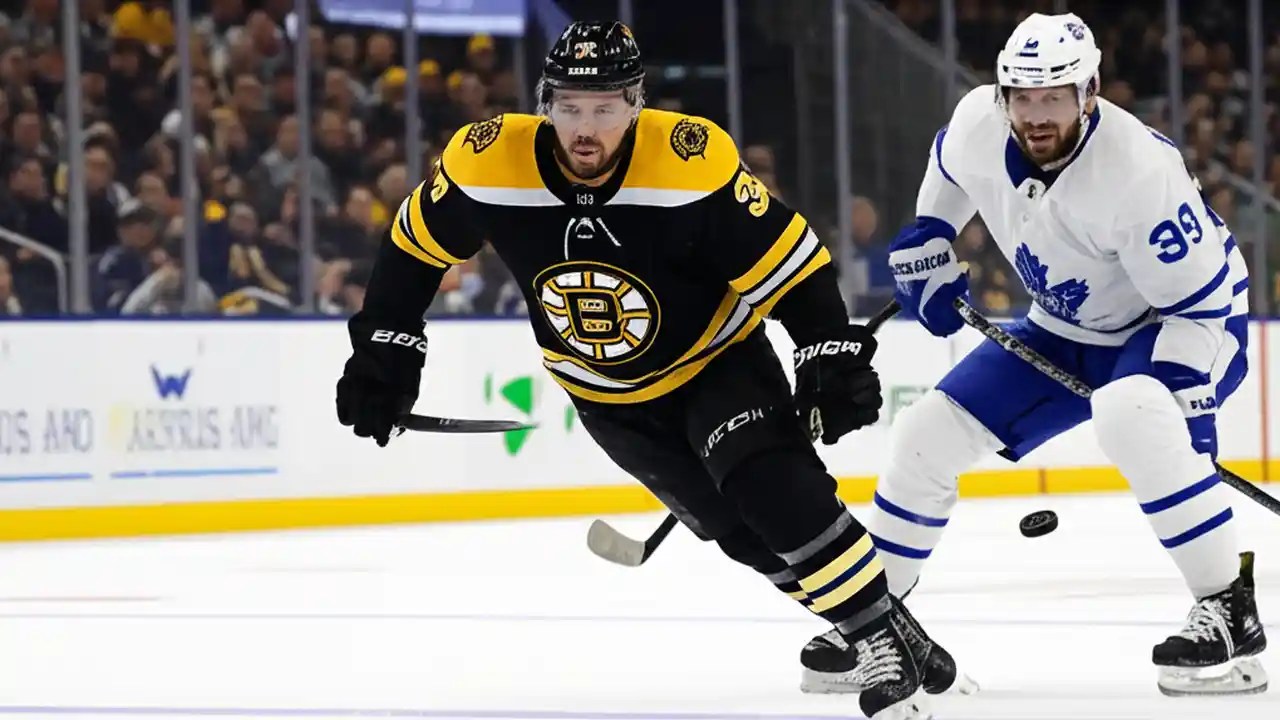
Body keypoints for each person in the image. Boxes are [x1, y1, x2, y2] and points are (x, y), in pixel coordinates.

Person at [335, 19, 965, 720]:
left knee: (771, 487)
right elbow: (414, 244)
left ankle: (876, 638)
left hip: (716, 363)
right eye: (570, 105)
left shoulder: (689, 163)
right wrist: (386, 345)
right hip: (607, 397)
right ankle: (885, 628)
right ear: (545, 102)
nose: (586, 128)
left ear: (636, 104)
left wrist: (824, 347)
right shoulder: (488, 164)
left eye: (605, 107)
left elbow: (790, 263)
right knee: (743, 535)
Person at [801, 12, 1264, 698]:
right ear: (1002, 95)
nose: (1036, 114)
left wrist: (1183, 413)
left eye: (1054, 97)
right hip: (1064, 326)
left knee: (1132, 410)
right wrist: (930, 235)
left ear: (1090, 92)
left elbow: (1197, 307)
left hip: (1179, 323)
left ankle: (1229, 607)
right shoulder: (978, 122)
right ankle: (876, 622)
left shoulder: (1140, 174)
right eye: (1022, 96)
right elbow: (949, 169)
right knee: (926, 435)